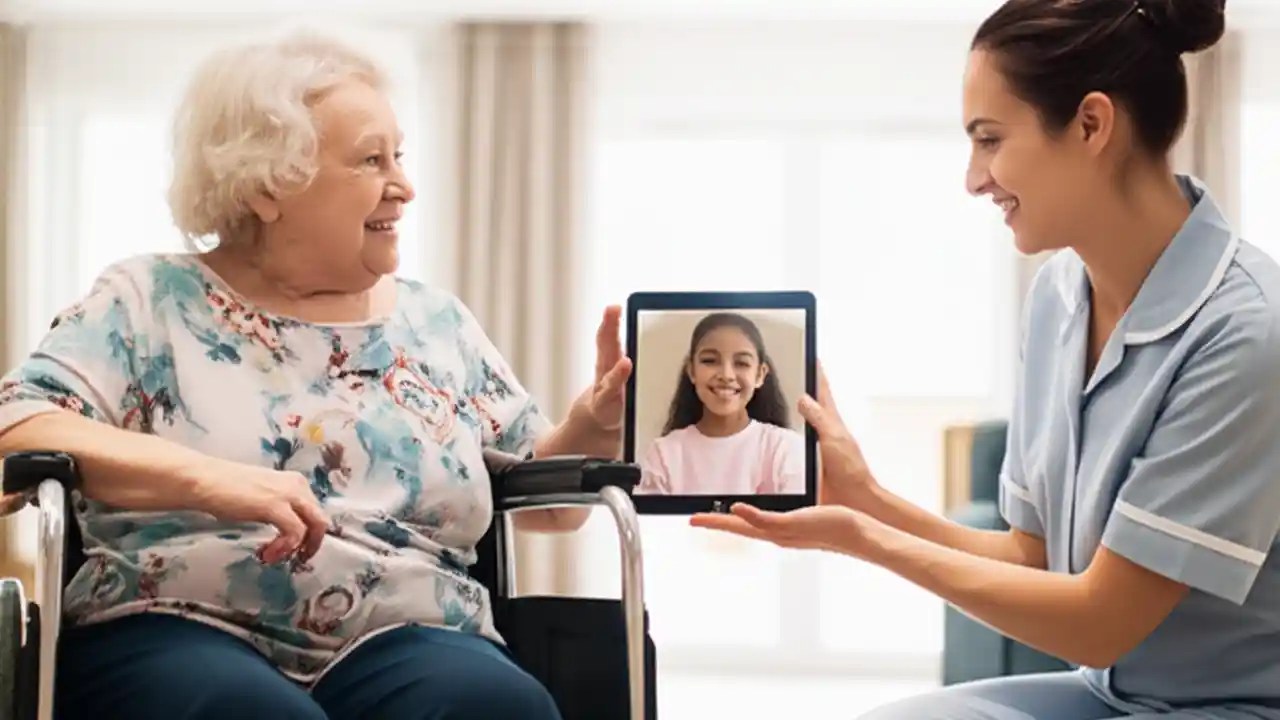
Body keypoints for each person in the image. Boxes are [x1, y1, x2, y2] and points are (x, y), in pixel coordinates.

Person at [0, 30, 632, 720]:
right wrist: (209, 480)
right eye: (370, 159)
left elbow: (557, 506)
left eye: (399, 156)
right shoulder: (148, 299)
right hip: (177, 624)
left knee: (497, 705)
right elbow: (17, 426)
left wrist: (594, 426)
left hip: (412, 633)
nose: (404, 186)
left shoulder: (436, 323)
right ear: (270, 183)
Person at [693, 0, 1280, 717]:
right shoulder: (1060, 297)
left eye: (991, 140)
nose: (974, 178)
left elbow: (1103, 620)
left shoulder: (1249, 332)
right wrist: (865, 499)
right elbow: (1032, 559)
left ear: (1092, 124)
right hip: (1113, 695)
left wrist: (867, 541)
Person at [637, 312, 804, 495]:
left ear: (760, 374)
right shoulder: (663, 453)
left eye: (741, 363)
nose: (726, 375)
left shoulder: (785, 448)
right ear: (691, 370)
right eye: (710, 361)